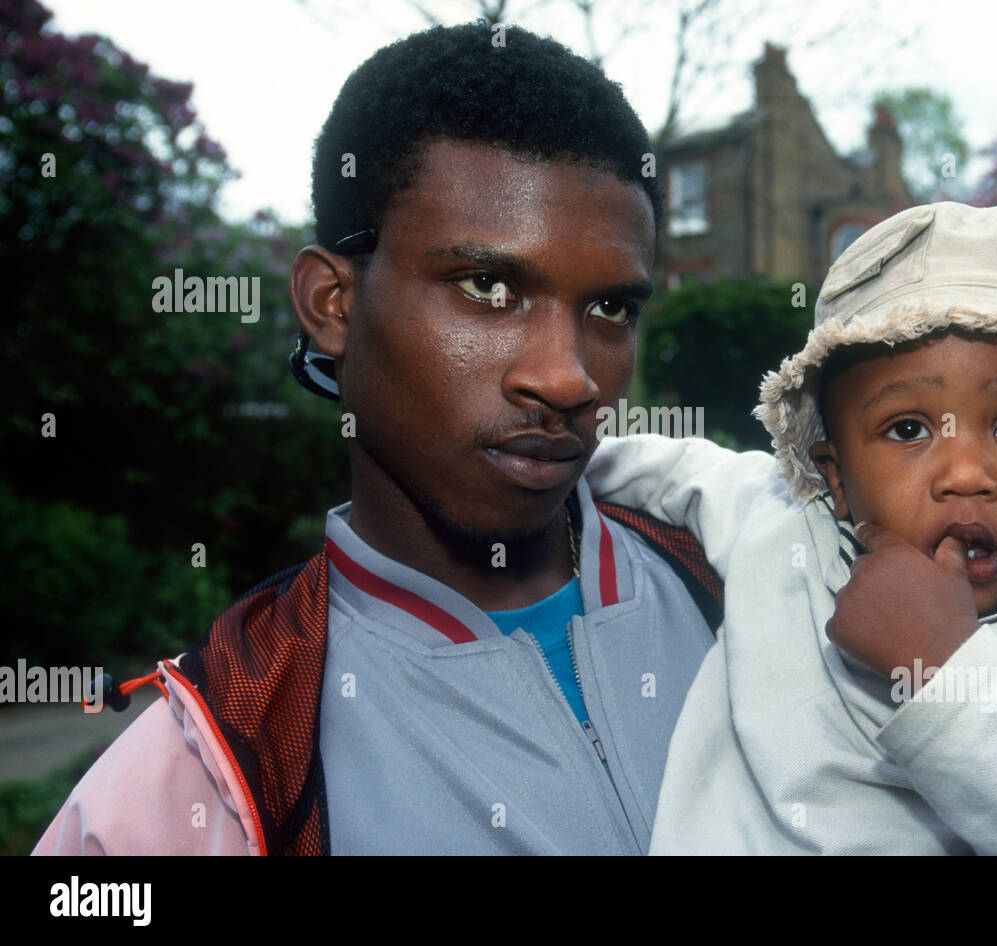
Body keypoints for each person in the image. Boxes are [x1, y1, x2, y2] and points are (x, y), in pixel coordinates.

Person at [34, 23, 720, 856]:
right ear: (332, 304)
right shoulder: (209, 764)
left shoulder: (749, 586)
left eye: (611, 308)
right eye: (487, 285)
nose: (568, 376)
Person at [586, 202, 997, 854]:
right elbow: (655, 466)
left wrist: (946, 675)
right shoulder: (780, 530)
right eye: (907, 429)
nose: (965, 473)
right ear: (836, 476)